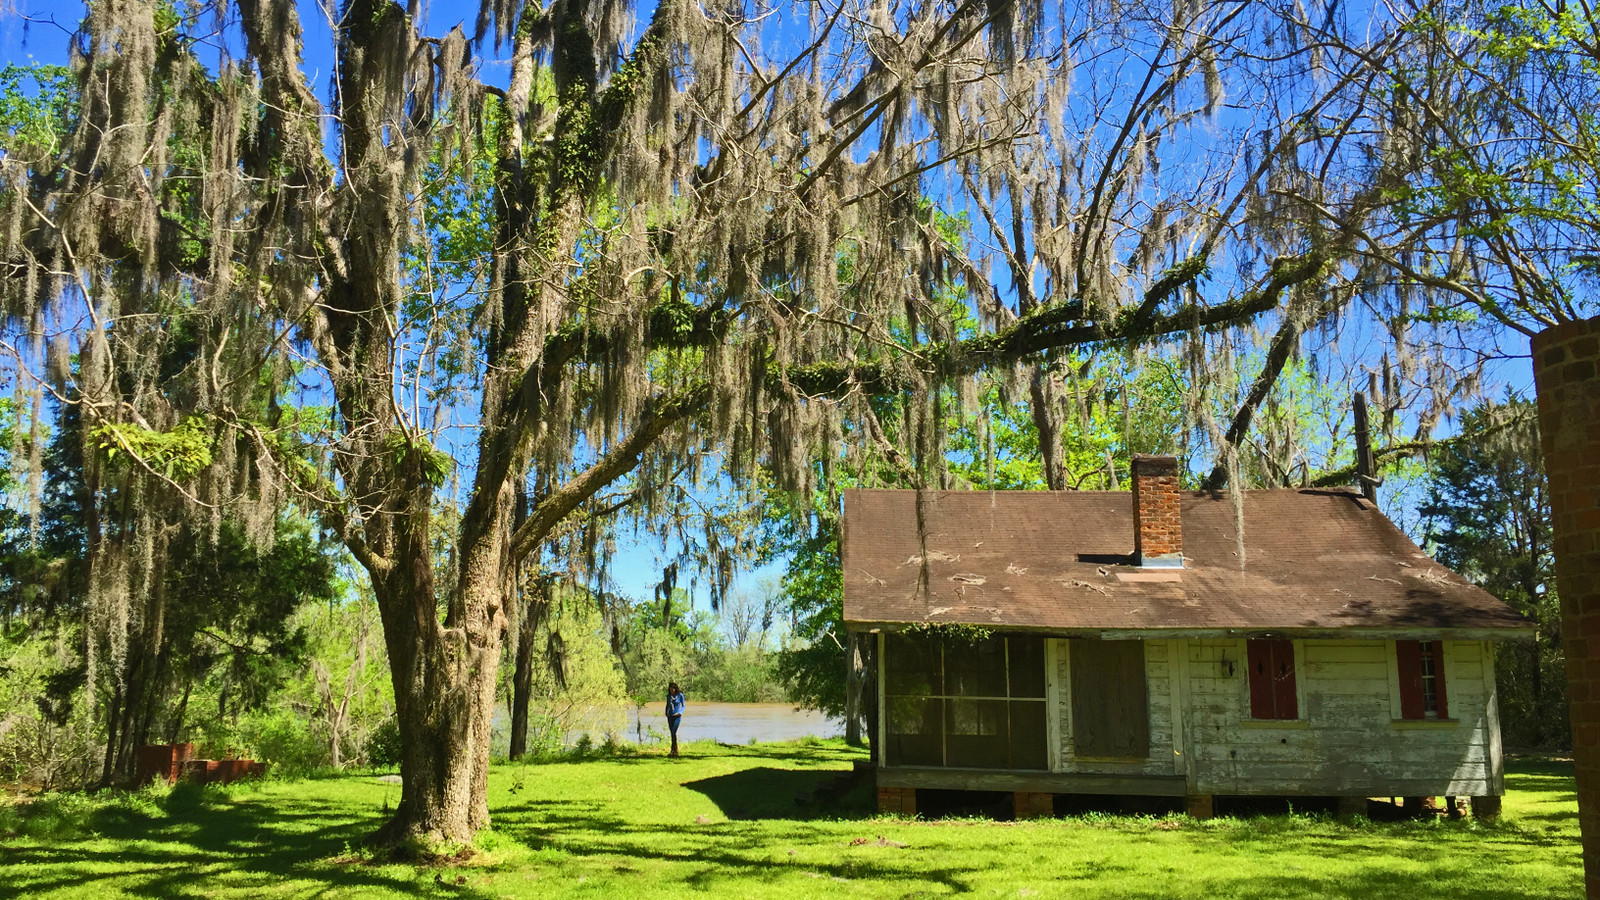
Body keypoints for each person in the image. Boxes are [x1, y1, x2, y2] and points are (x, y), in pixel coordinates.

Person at [665, 682, 686, 757]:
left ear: (675, 689)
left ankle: (673, 750)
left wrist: (679, 712)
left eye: (672, 689)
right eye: (670, 689)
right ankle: (674, 750)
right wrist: (666, 712)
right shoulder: (669, 696)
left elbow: (683, 706)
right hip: (670, 716)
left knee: (673, 732)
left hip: (677, 716)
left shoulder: (680, 695)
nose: (671, 691)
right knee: (672, 733)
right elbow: (667, 705)